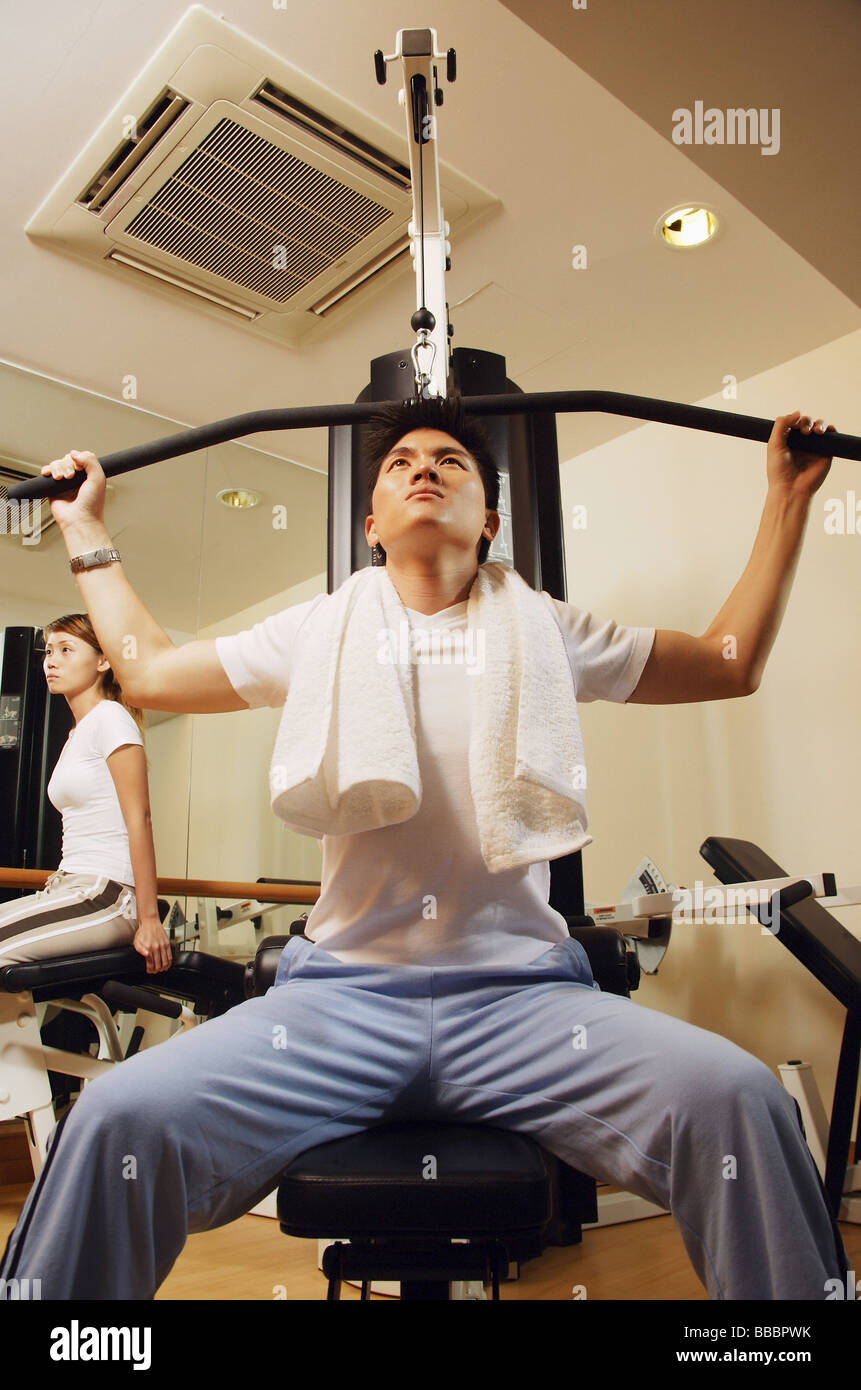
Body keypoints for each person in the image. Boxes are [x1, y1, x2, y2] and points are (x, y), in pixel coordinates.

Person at [0, 395, 849, 1300]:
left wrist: (787, 499)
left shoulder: (545, 630)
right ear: (371, 524)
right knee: (115, 1119)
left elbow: (728, 662)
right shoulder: (319, 632)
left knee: (741, 1101)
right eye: (401, 460)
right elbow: (154, 670)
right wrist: (84, 528)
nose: (424, 465)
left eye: (450, 459)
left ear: (488, 519)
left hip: (522, 1006)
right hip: (338, 1008)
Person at [0, 613, 172, 976]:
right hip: (69, 885)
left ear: (103, 661)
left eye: (66, 649)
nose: (51, 660)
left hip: (106, 894)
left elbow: (139, 818)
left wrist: (149, 918)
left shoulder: (111, 717)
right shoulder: (77, 733)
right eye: (49, 651)